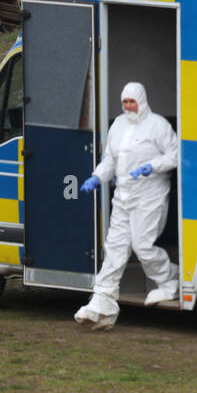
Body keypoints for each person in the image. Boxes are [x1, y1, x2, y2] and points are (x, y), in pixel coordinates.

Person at [74, 82, 179, 329]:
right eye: (125, 102)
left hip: (150, 196)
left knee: (142, 246)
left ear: (142, 101)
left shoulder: (158, 125)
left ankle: (169, 280)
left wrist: (152, 166)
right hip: (123, 195)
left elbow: (174, 155)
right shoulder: (119, 126)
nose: (128, 106)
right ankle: (102, 303)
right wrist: (98, 177)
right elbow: (110, 159)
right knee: (115, 247)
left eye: (132, 102)